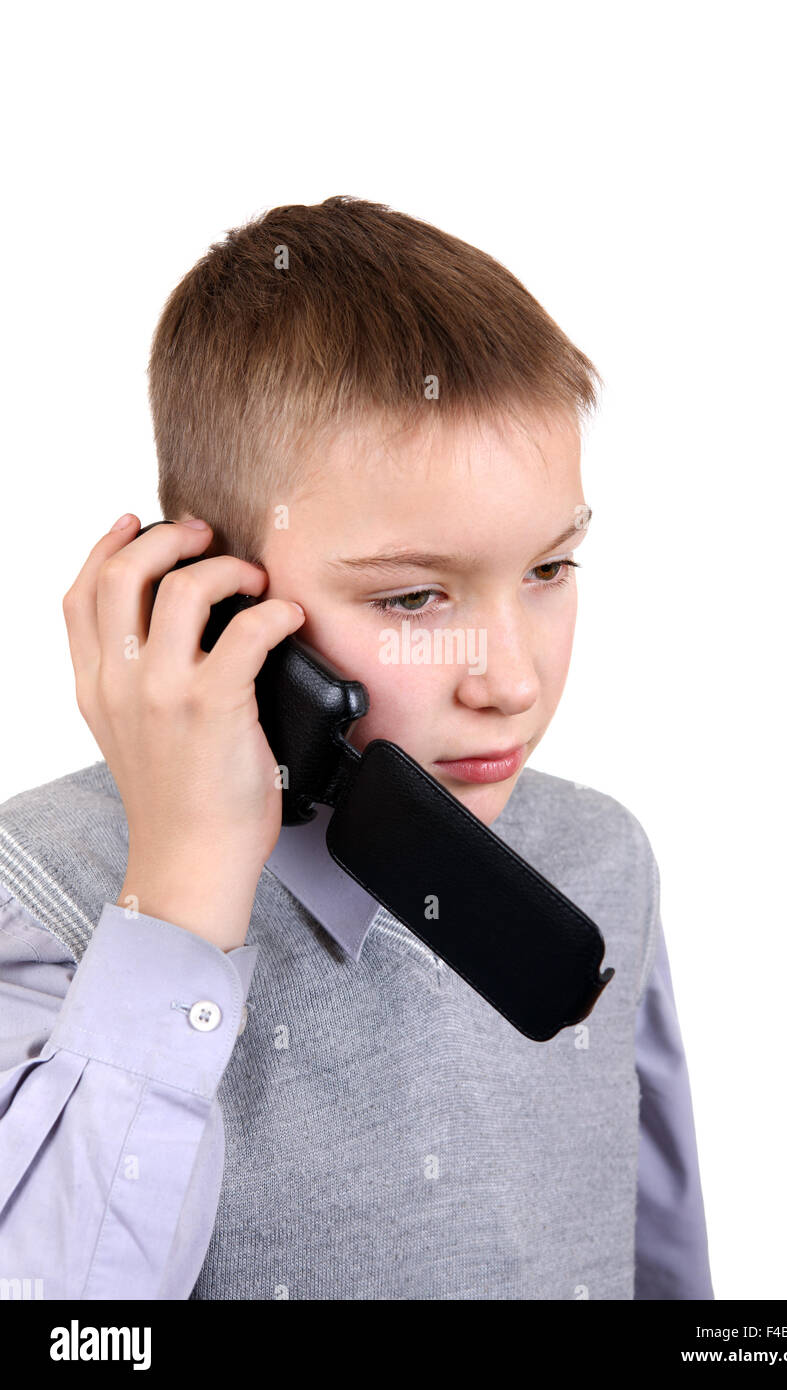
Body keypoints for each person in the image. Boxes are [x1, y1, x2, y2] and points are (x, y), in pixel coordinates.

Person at [0, 195, 712, 1300]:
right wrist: (182, 889)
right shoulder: (38, 892)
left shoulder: (597, 859)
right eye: (416, 595)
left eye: (548, 570)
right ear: (217, 599)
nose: (511, 680)